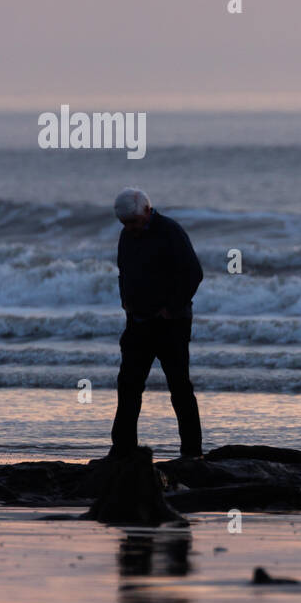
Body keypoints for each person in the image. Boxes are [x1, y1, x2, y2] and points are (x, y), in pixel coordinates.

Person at [108, 187, 205, 461]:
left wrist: (170, 309)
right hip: (137, 322)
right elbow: (123, 271)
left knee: (179, 387)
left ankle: (192, 452)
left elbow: (194, 273)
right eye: (125, 224)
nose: (130, 228)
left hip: (171, 323)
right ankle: (123, 449)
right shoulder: (127, 235)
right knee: (128, 385)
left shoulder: (170, 231)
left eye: (134, 222)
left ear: (147, 211)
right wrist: (125, 301)